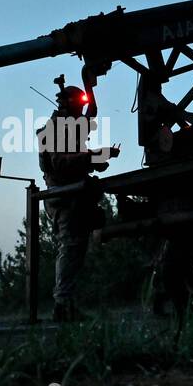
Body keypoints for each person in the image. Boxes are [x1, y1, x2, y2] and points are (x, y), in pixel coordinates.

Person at [37, 81, 119, 321]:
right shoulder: (53, 129)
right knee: (70, 248)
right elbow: (61, 163)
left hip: (74, 195)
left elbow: (90, 117)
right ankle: (63, 306)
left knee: (76, 249)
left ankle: (67, 304)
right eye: (79, 106)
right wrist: (95, 155)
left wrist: (97, 159)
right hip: (64, 198)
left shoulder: (70, 128)